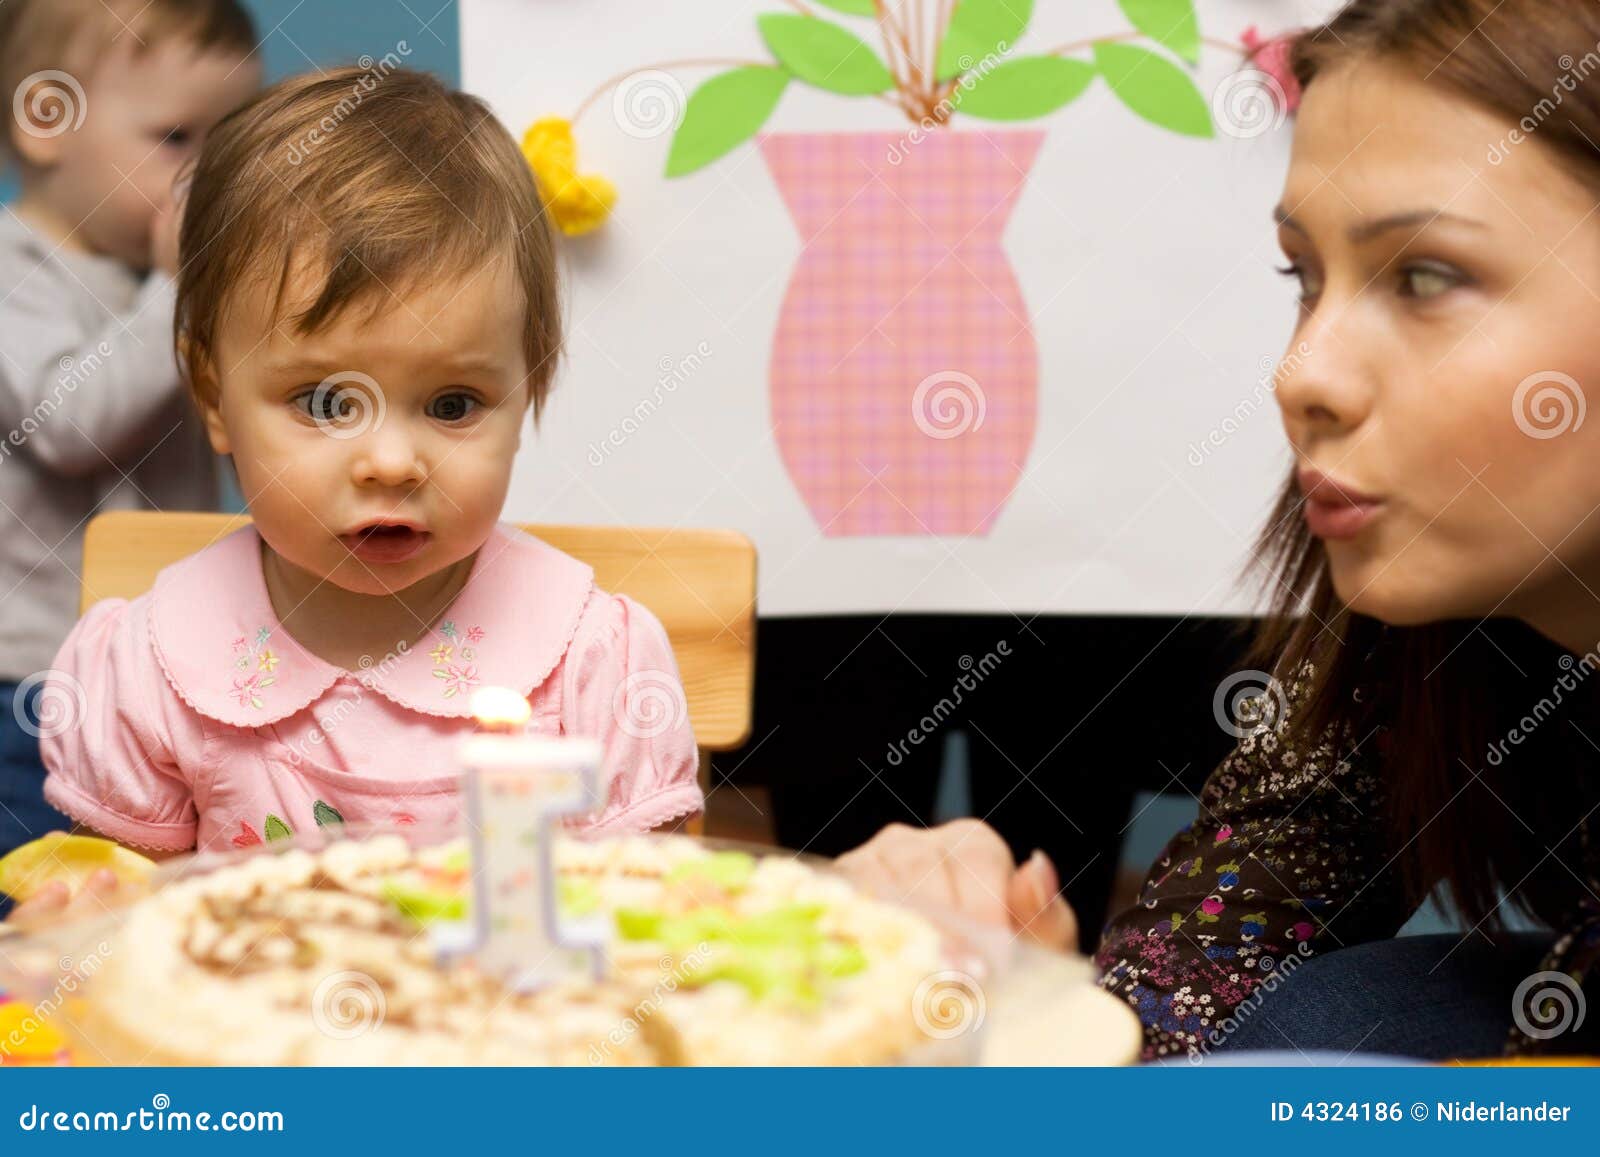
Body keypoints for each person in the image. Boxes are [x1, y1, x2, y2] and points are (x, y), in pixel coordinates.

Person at [841, 0, 1600, 1061]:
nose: (1303, 376)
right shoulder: (1415, 615)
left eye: (1425, 277)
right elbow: (1215, 950)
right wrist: (999, 1003)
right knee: (1321, 1022)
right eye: (1304, 277)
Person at [11, 67, 703, 924]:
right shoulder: (153, 665)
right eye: (327, 403)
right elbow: (112, 942)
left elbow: (661, 936)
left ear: (527, 391)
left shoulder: (595, 662)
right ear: (215, 396)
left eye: (453, 405)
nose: (390, 461)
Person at [0, 0, 259, 859]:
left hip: (153, 665)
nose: (206, 178)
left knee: (142, 878)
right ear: (44, 127)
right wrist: (176, 287)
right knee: (42, 892)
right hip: (30, 676)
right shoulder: (14, 271)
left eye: (228, 146)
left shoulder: (159, 285)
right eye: (178, 140)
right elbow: (71, 423)